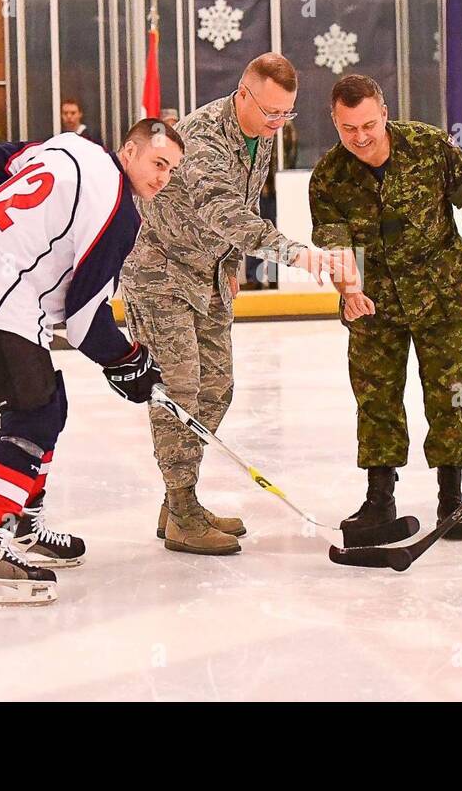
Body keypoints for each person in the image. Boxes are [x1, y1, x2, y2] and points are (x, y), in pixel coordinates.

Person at [0, 120, 184, 605]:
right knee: (34, 415)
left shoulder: (69, 147)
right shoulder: (118, 210)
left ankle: (24, 524)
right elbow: (85, 322)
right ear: (129, 151)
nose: (162, 178)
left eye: (171, 170)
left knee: (48, 400)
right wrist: (129, 363)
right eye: (157, 163)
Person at [120, 52, 351, 556]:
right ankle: (182, 510)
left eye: (286, 114)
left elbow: (240, 208)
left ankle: (179, 499)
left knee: (217, 389)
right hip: (161, 274)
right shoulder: (202, 137)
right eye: (269, 111)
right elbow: (222, 210)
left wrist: (230, 267)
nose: (276, 123)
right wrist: (297, 255)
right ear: (243, 93)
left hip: (208, 278)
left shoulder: (259, 137)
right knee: (180, 388)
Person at [309, 74, 462, 541]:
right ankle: (379, 501)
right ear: (335, 122)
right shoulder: (330, 175)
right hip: (373, 307)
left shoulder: (428, 146)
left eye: (368, 124)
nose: (361, 137)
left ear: (384, 114)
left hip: (442, 297)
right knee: (376, 403)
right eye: (349, 128)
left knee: (450, 396)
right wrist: (349, 291)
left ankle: (452, 500)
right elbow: (335, 242)